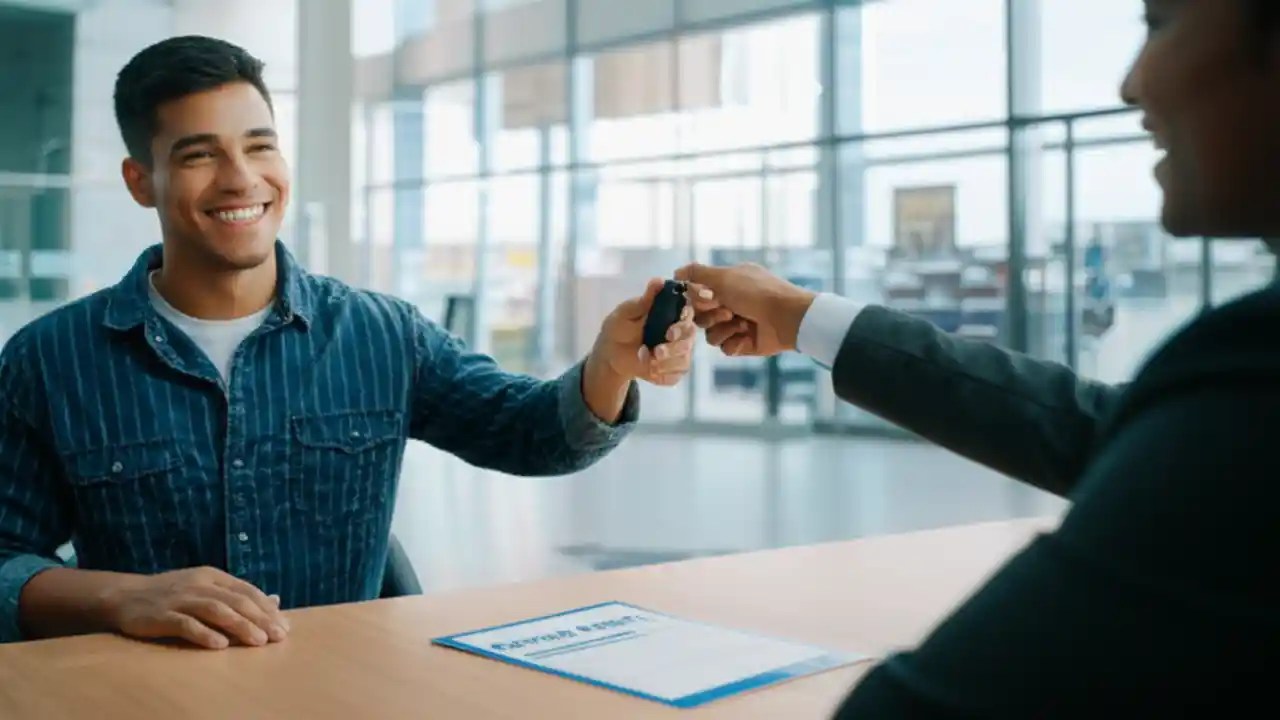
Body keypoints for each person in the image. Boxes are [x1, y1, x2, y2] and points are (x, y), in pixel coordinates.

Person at [0, 36, 699, 650]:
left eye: (259, 144)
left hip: (345, 693)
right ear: (139, 183)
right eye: (198, 155)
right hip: (143, 700)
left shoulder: (381, 335)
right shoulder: (50, 361)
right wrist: (122, 598)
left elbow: (532, 433)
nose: (241, 178)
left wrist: (610, 366)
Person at [681, 0, 1280, 714]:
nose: (1131, 83)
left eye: (1159, 24)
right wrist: (802, 316)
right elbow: (1106, 434)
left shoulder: (1254, 374)